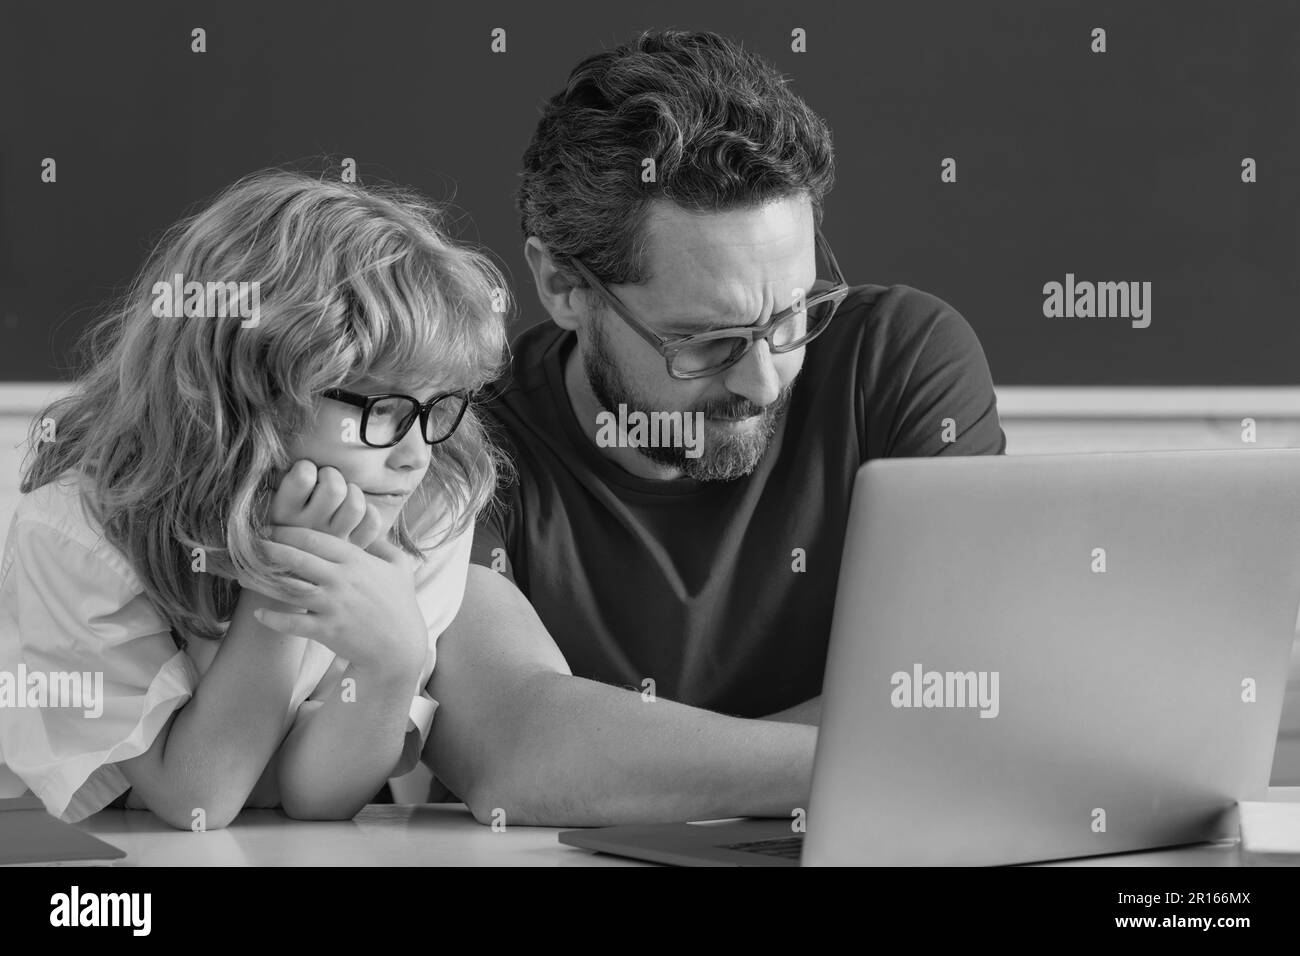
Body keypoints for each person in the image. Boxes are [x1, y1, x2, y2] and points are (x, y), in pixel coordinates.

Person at [421, 29, 1007, 826]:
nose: (763, 380)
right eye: (706, 341)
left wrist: (634, 769)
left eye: (793, 313)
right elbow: (519, 753)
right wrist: (907, 757)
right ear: (563, 284)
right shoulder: (457, 432)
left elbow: (966, 692)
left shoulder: (899, 358)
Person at [0, 169, 509, 829]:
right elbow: (199, 799)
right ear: (253, 396)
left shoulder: (425, 501)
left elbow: (313, 798)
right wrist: (278, 590)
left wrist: (394, 660)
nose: (417, 452)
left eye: (439, 405)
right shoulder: (76, 534)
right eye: (383, 409)